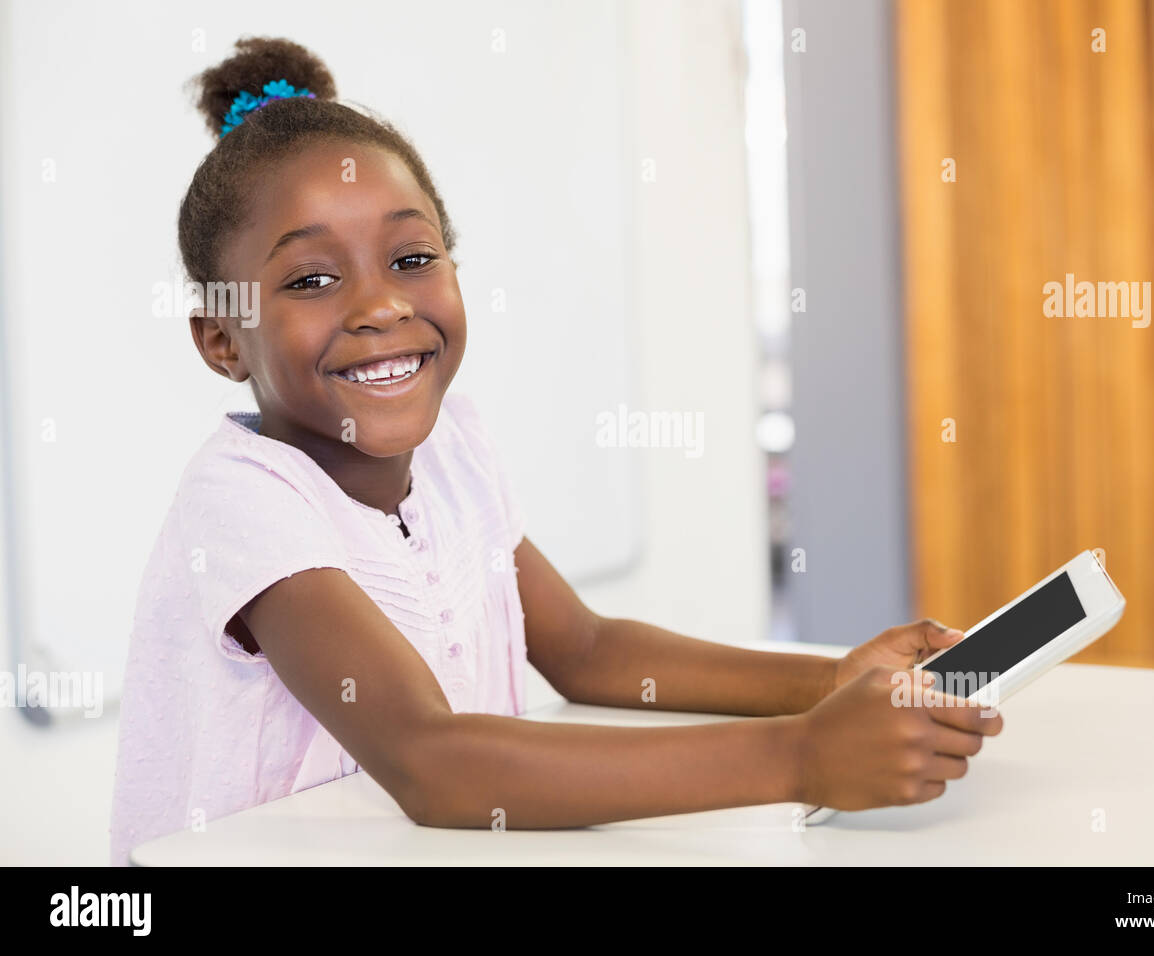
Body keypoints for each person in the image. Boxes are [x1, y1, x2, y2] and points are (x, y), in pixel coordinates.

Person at [108, 35, 1001, 866]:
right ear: (223, 341)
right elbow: (433, 761)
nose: (381, 307)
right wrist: (801, 756)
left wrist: (827, 683)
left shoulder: (452, 448)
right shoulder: (246, 503)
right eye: (311, 279)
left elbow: (587, 648)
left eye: (411, 257)